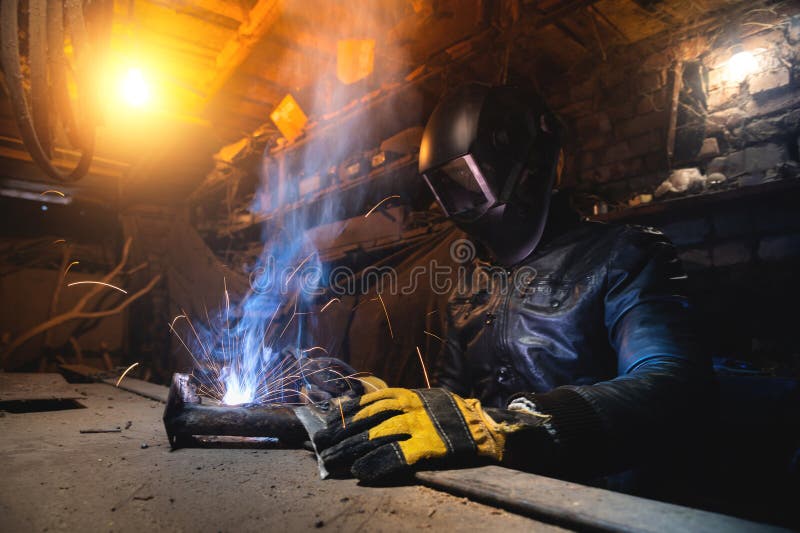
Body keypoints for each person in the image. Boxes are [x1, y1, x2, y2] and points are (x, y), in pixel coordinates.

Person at [313, 82, 711, 483]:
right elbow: (452, 398)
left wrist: (525, 426)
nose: (464, 203)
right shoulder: (471, 283)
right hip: (501, 485)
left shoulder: (626, 255)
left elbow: (671, 382)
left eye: (472, 181)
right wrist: (377, 400)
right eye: (453, 186)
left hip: (598, 490)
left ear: (530, 171)